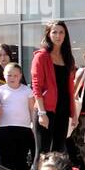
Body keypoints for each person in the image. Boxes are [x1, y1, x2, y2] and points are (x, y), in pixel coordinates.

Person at [31, 20, 76, 158]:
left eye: (61, 32)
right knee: (43, 153)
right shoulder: (41, 56)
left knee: (58, 152)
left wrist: (73, 113)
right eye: (54, 32)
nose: (58, 35)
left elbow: (69, 88)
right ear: (48, 34)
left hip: (62, 110)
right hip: (46, 110)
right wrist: (42, 113)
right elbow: (36, 86)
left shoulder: (68, 57)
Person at [0, 62, 36, 170]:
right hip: (5, 128)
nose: (12, 77)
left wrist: (33, 126)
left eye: (15, 75)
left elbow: (31, 109)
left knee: (21, 158)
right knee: (7, 158)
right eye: (9, 75)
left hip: (23, 128)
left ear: (20, 76)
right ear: (4, 76)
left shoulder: (27, 91)